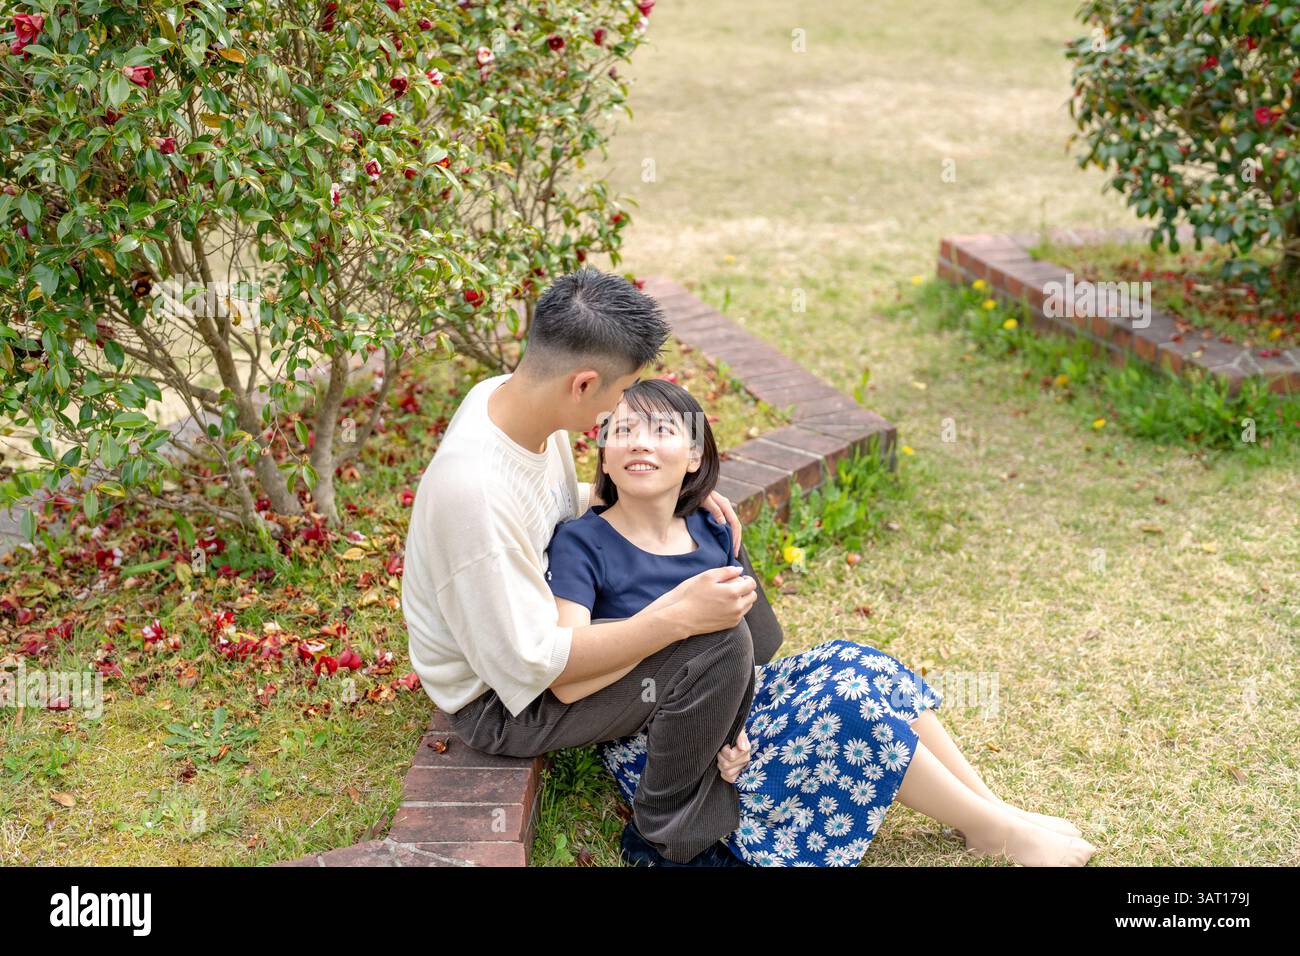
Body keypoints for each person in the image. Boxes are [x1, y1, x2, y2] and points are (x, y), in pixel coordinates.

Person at [543, 377, 1099, 867]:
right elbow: (570, 667)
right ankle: (993, 831)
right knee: (849, 707)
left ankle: (985, 809)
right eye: (624, 430)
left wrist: (734, 719)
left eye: (663, 430)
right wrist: (691, 672)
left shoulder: (708, 530)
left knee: (860, 664)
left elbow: (743, 651)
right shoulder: (583, 543)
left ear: (693, 458)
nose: (640, 441)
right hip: (666, 734)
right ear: (605, 456)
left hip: (738, 700)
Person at [402, 267, 767, 866]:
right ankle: (667, 839)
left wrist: (676, 496)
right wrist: (676, 620)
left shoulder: (510, 401)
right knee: (718, 640)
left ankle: (741, 696)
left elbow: (543, 502)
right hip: (503, 702)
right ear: (583, 384)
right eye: (623, 391)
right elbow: (545, 672)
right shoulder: (472, 496)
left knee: (715, 537)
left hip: (532, 642)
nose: (625, 406)